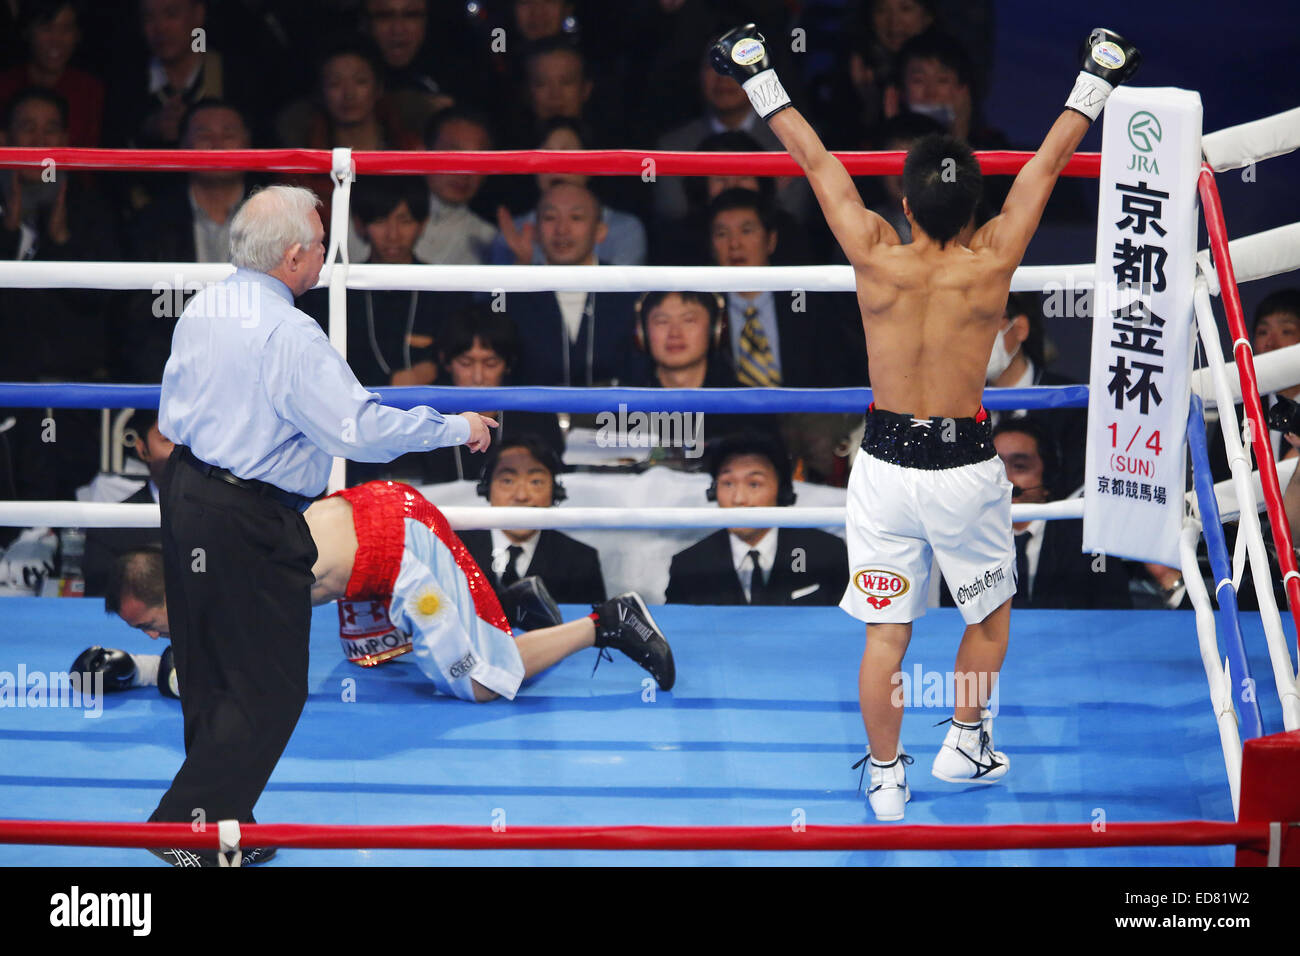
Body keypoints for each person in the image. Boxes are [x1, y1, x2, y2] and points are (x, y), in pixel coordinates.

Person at [707, 23, 1141, 819]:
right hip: (965, 466)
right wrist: (1095, 80)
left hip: (881, 465)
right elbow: (1045, 167)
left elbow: (817, 164)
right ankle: (965, 739)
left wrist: (757, 73)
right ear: (976, 205)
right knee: (988, 611)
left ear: (903, 202)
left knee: (885, 637)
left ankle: (884, 775)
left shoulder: (875, 252)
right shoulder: (993, 260)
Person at [148, 183, 498, 866]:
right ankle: (181, 827)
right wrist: (455, 426)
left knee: (211, 668)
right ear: (291, 258)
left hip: (188, 492)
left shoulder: (207, 303)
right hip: (246, 514)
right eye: (317, 243)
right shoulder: (289, 333)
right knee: (270, 687)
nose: (326, 255)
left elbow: (170, 415)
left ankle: (222, 822)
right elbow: (358, 428)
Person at [89, 481, 674, 708]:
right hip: (365, 516)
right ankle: (512, 606)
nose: (153, 634)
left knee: (482, 684)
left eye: (150, 625)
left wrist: (144, 672)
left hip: (402, 562)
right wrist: (140, 667)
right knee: (370, 656)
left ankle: (608, 621)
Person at [941, 418, 1131, 609]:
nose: (1005, 480)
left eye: (1020, 466)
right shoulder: (964, 542)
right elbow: (951, 622)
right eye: (995, 467)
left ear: (1048, 477)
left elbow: (1115, 614)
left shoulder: (1088, 540)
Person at [666, 432, 847, 606]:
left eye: (754, 484)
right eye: (728, 483)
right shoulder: (688, 566)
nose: (738, 499)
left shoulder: (826, 553)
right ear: (714, 491)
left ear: (782, 490)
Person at [495, 182, 642, 386]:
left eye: (576, 218)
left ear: (600, 231)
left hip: (613, 416)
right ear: (536, 231)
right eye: (550, 218)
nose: (562, 229)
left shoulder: (627, 289)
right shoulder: (513, 293)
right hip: (533, 415)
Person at [421, 304, 564, 484]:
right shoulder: (425, 413)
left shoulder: (535, 414)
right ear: (446, 361)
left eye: (491, 363)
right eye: (465, 363)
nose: (478, 377)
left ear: (508, 364)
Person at [459, 436, 607, 605]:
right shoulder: (454, 549)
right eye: (507, 481)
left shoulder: (580, 560)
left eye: (536, 482)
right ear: (486, 489)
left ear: (555, 492)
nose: (522, 496)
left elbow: (592, 627)